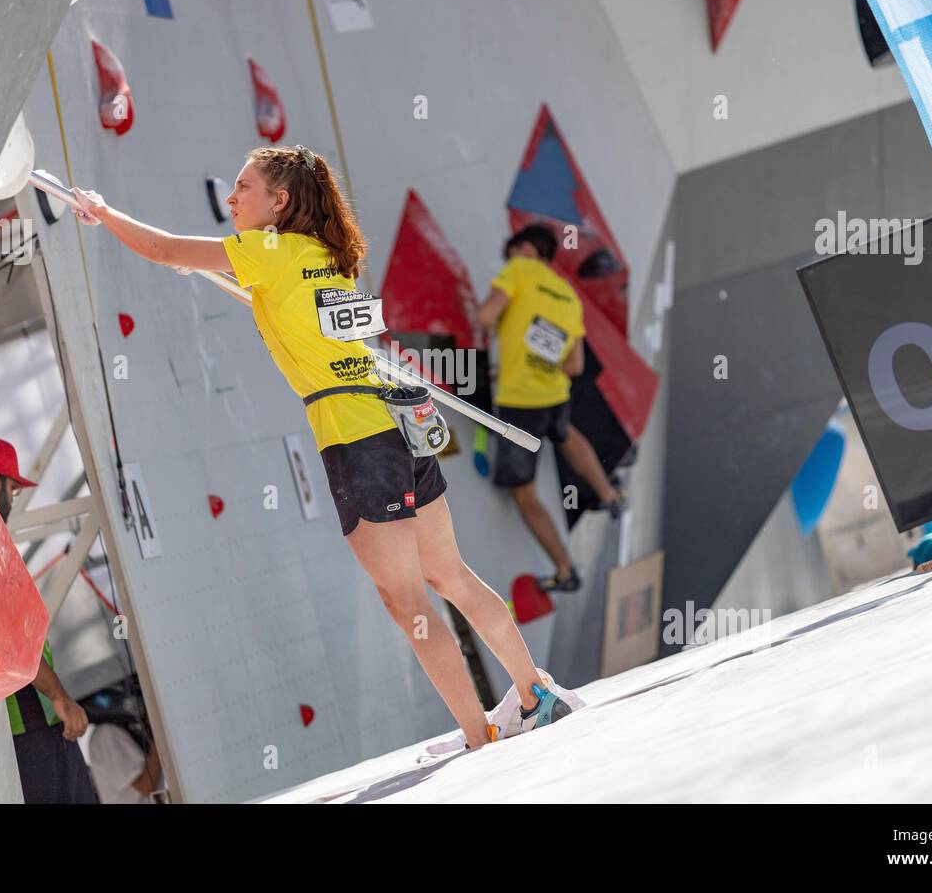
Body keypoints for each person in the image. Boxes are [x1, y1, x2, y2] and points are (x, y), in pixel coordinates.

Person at [67, 144, 571, 748]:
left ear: (279, 201)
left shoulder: (268, 251)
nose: (231, 198)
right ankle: (535, 696)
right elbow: (292, 310)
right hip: (399, 420)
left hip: (357, 435)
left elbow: (165, 249)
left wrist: (102, 211)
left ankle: (478, 736)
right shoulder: (327, 254)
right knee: (450, 575)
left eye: (244, 188)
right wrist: (221, 268)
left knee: (405, 600)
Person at [474, 224, 625, 592]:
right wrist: (530, 359)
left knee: (524, 495)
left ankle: (564, 570)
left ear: (526, 249)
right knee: (565, 433)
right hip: (554, 394)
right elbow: (574, 366)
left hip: (520, 401)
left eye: (511, 253)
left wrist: (505, 345)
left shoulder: (519, 269)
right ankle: (609, 495)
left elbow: (485, 316)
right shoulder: (568, 295)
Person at [0, 435, 97, 803]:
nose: (13, 499)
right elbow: (10, 639)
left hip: (26, 725)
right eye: (12, 489)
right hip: (29, 721)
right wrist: (59, 696)